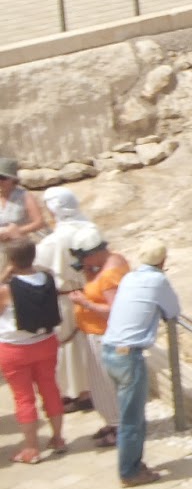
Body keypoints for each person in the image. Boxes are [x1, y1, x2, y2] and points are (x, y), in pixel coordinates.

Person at [100, 239, 180, 487]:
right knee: (132, 420)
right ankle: (130, 472)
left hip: (109, 350)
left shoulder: (129, 278)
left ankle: (133, 463)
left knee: (129, 415)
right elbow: (173, 311)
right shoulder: (157, 280)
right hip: (128, 356)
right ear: (163, 261)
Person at [0, 242, 67, 464]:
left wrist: (4, 275)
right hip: (46, 343)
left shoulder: (6, 289)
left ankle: (31, 448)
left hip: (14, 349)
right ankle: (58, 438)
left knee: (23, 398)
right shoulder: (47, 279)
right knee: (50, 389)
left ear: (11, 261)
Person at [65, 225, 129, 448]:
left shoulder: (110, 275)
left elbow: (114, 310)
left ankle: (119, 426)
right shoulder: (109, 263)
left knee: (108, 384)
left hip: (104, 336)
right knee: (100, 384)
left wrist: (85, 303)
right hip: (96, 333)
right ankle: (112, 422)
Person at [37, 188, 97, 415]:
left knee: (68, 346)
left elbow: (40, 268)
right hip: (91, 293)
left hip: (65, 298)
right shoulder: (91, 229)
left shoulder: (52, 242)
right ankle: (91, 390)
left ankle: (76, 393)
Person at [0, 157, 46, 244]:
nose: (0, 181)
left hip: (20, 245)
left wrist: (17, 231)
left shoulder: (24, 196)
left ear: (13, 179)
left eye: (3, 178)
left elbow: (39, 222)